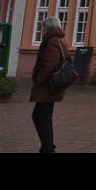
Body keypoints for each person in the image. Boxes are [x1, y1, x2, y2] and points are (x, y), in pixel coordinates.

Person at [30, 16, 68, 152]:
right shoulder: (57, 40)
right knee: (42, 116)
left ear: (48, 28)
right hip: (51, 85)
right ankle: (48, 146)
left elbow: (49, 65)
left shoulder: (52, 41)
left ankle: (48, 147)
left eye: (43, 27)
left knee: (41, 116)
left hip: (48, 85)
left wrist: (39, 80)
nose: (42, 30)